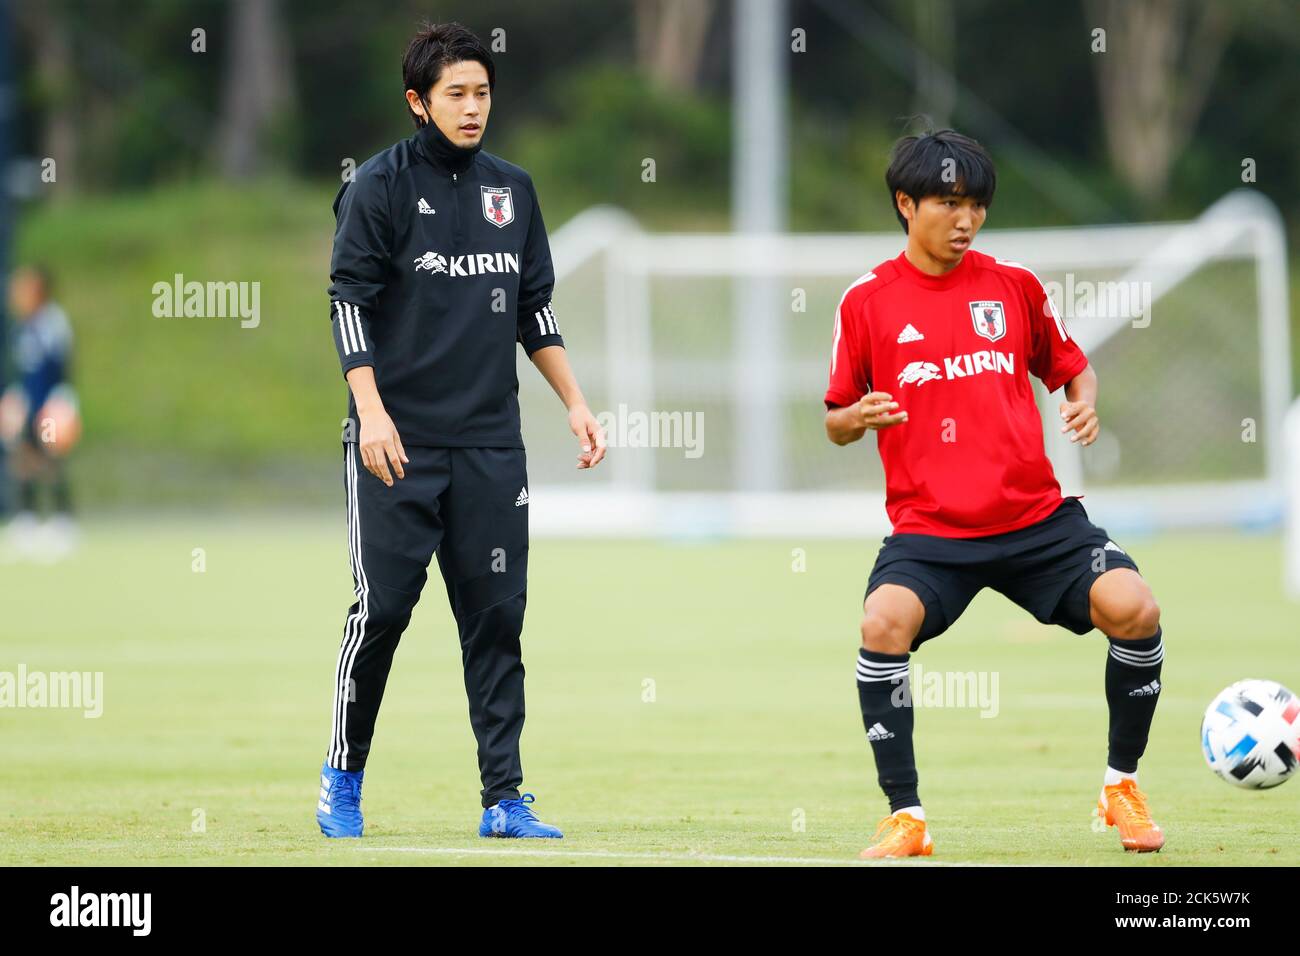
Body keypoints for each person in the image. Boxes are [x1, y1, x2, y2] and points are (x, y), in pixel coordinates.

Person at [824, 129, 1164, 858]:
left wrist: (1083, 400)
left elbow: (1072, 366)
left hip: (1037, 520)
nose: (967, 219)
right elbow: (834, 421)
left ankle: (1121, 787)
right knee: (882, 622)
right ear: (905, 204)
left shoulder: (1014, 286)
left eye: (976, 204)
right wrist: (857, 416)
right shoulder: (867, 302)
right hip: (931, 533)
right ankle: (906, 817)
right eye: (949, 203)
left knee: (1135, 608)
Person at [316, 22, 606, 840]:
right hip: (396, 444)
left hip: (489, 446)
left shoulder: (512, 190)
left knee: (495, 619)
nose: (473, 108)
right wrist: (370, 413)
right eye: (456, 95)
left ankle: (503, 799)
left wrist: (576, 403)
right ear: (419, 102)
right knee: (383, 612)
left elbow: (533, 311)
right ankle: (342, 782)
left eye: (482, 92)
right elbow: (348, 302)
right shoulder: (376, 186)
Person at [1, 264, 78, 560]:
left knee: (50, 460)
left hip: (51, 404)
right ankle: (28, 520)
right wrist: (15, 399)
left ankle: (62, 521)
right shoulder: (21, 326)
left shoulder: (53, 323)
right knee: (23, 458)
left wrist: (63, 402)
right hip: (27, 403)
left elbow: (62, 367)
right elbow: (22, 371)